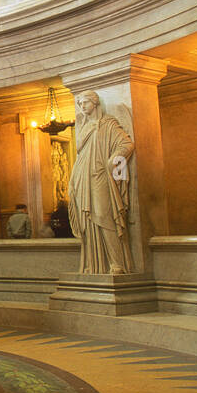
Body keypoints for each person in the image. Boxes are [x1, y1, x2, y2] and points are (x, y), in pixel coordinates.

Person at [68, 91, 135, 274]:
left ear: (95, 103)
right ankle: (96, 264)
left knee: (104, 217)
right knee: (88, 222)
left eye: (85, 103)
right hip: (82, 177)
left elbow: (127, 145)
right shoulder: (84, 126)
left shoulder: (108, 124)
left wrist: (113, 160)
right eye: (80, 104)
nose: (82, 107)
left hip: (100, 175)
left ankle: (117, 263)